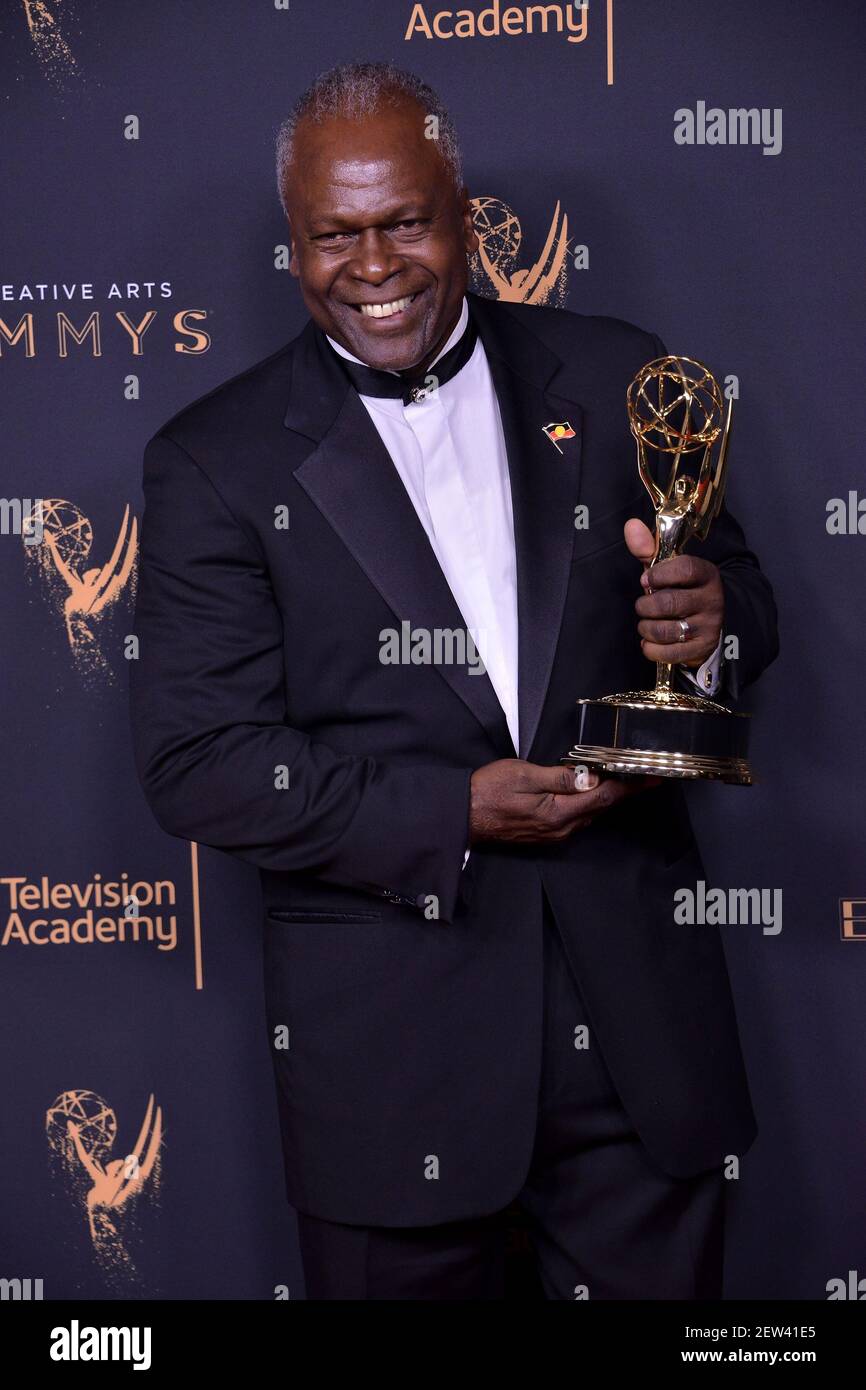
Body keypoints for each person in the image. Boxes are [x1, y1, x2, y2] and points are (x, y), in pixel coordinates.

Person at [129, 61, 778, 1300]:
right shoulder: (212, 462)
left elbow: (739, 605)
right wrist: (451, 812)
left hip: (640, 1053)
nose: (372, 265)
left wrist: (709, 628)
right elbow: (195, 764)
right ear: (293, 242)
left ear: (462, 214)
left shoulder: (611, 377)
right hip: (390, 1073)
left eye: (404, 223)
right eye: (335, 235)